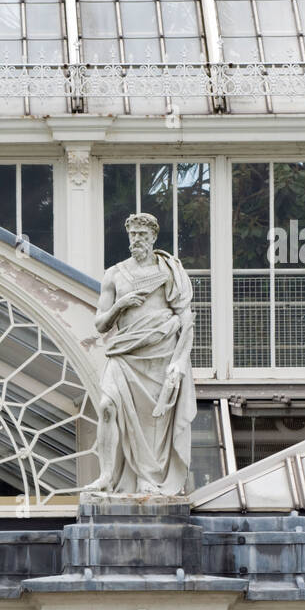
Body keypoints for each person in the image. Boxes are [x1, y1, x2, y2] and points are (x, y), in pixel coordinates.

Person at [85, 212, 196, 496]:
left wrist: (180, 362)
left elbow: (186, 318)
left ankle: (149, 478)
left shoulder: (170, 271)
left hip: (160, 353)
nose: (137, 240)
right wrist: (120, 305)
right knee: (107, 406)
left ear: (153, 238)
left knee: (153, 421)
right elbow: (100, 324)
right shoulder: (115, 274)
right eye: (133, 234)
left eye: (143, 235)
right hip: (124, 353)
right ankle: (107, 477)